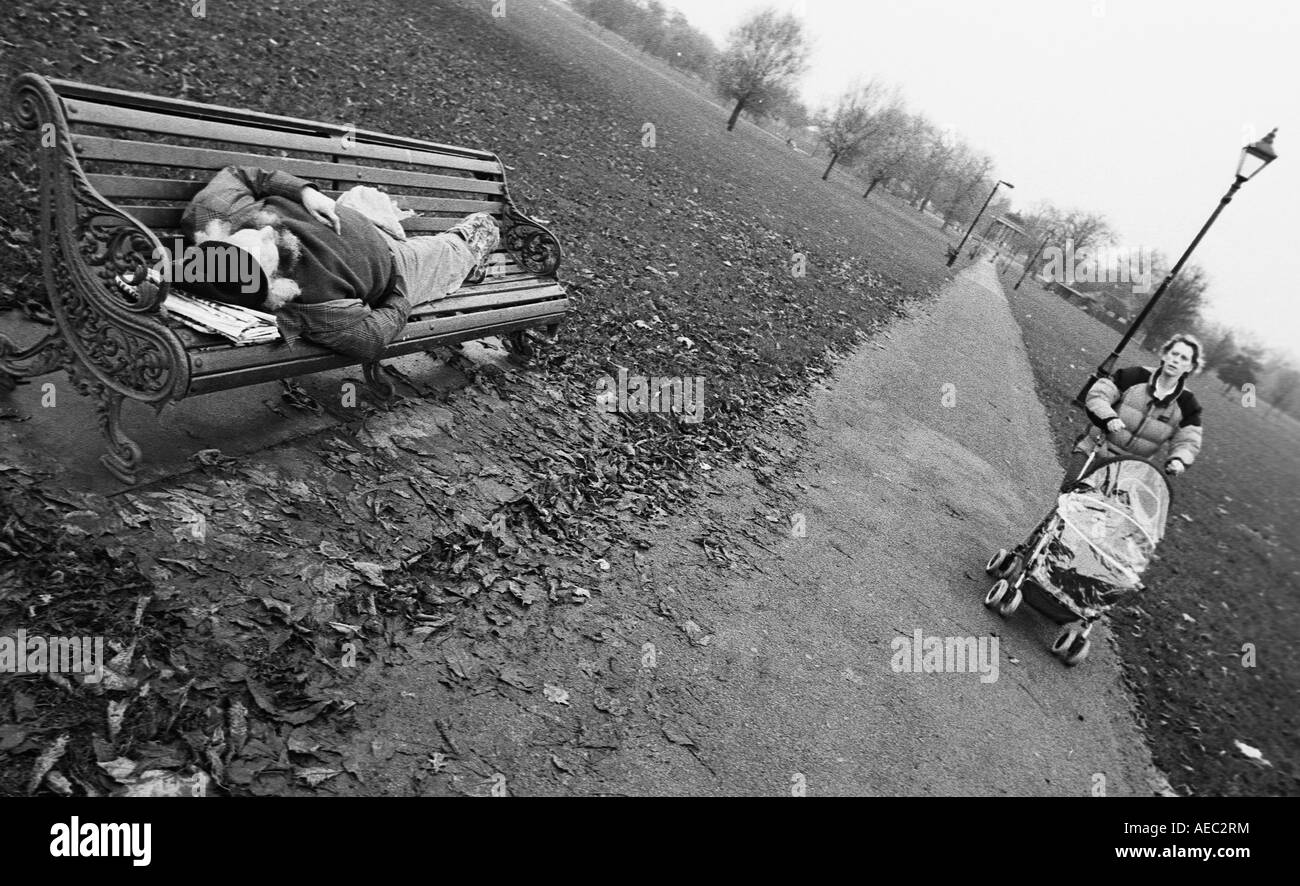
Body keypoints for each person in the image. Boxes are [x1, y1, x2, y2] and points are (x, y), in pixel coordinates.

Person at [177, 166, 499, 360]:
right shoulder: (314, 309)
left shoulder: (215, 217)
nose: (264, 230)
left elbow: (243, 175)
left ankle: (392, 224)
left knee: (362, 195)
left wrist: (305, 193)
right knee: (474, 235)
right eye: (266, 244)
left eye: (250, 233)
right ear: (277, 286)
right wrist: (401, 295)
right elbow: (370, 339)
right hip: (395, 264)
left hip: (345, 214)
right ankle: (469, 254)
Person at [1071, 333, 1205, 486]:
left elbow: (1188, 440)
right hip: (1094, 450)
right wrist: (1109, 417)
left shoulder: (1187, 403)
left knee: (1099, 509)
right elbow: (1099, 395)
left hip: (1128, 471)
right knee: (1068, 499)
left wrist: (1179, 460)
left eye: (1184, 358)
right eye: (1174, 353)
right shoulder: (1135, 376)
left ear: (1190, 367)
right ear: (1165, 355)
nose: (1176, 359)